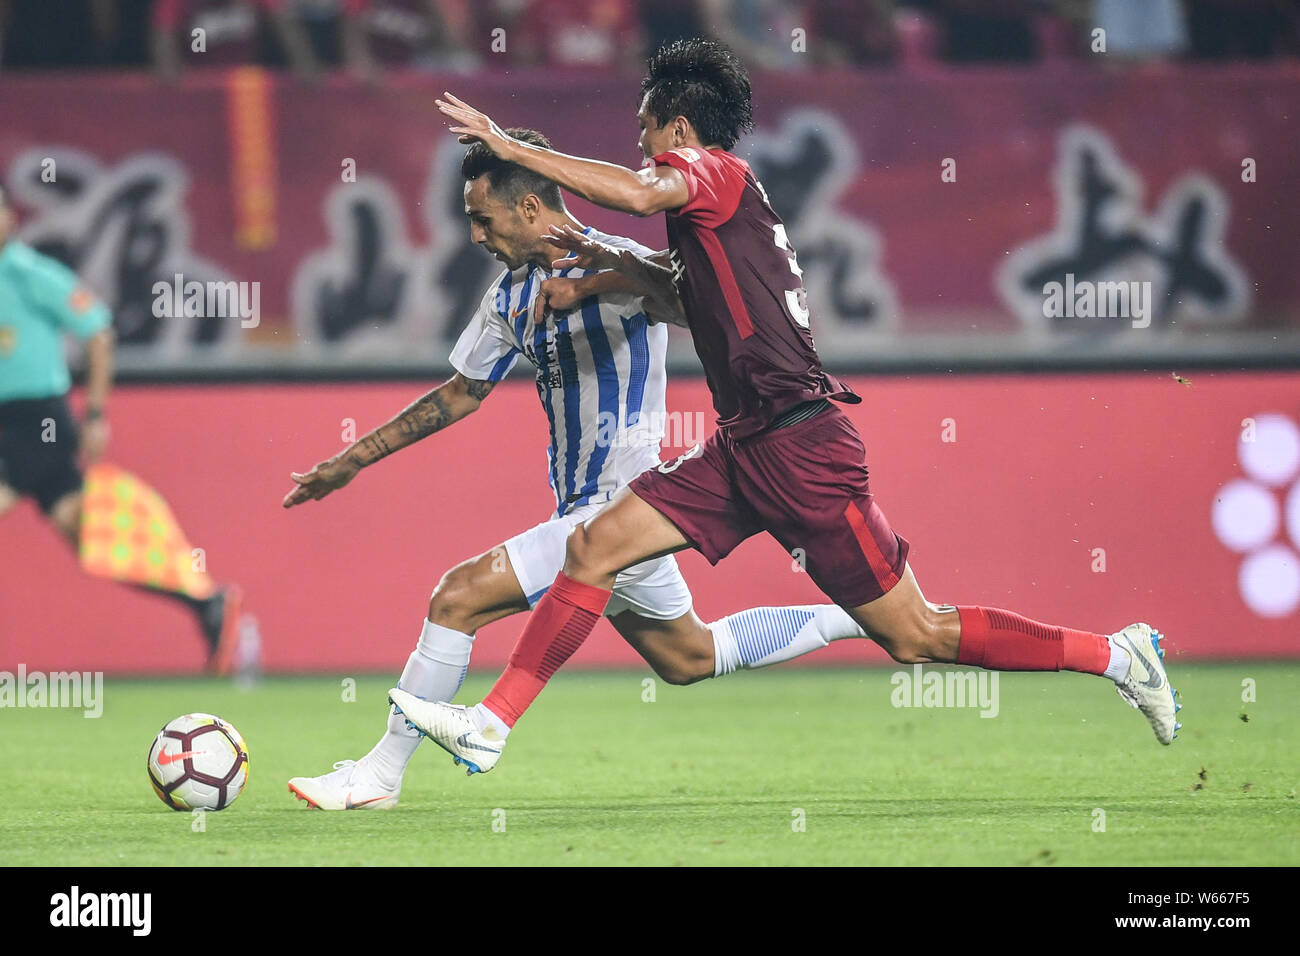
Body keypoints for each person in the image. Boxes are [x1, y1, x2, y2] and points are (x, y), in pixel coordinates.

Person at [389, 37, 1180, 775]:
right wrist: (604, 267)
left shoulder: (712, 174)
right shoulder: (708, 219)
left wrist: (509, 145)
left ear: (681, 127)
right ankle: (490, 724)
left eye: (646, 129)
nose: (641, 146)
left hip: (803, 447)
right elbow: (678, 293)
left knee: (918, 634)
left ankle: (1118, 655)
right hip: (743, 447)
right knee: (593, 548)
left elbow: (634, 191)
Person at [282, 129, 877, 809]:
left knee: (457, 598)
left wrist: (615, 278)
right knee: (689, 657)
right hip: (600, 520)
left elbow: (698, 305)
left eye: (484, 217)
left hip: (625, 507)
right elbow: (459, 394)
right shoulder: (508, 298)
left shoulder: (622, 262)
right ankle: (855, 616)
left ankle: (377, 777)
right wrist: (349, 462)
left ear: (531, 208)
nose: (475, 235)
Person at [0, 183, 241, 671]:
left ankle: (208, 602)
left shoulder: (29, 273)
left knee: (92, 538)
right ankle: (206, 603)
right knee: (93, 542)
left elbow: (99, 330)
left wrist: (94, 413)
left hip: (35, 421)